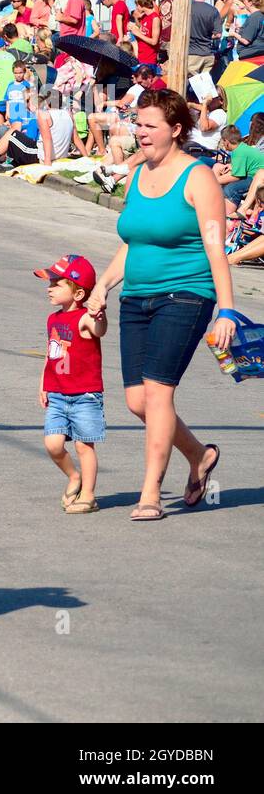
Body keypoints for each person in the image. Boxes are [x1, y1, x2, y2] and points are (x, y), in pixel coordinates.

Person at [85, 90, 236, 522]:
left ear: (175, 130)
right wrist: (102, 288)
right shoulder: (137, 176)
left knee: (158, 392)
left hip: (186, 295)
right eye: (138, 123)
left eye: (150, 125)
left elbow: (214, 249)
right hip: (136, 296)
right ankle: (199, 454)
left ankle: (150, 492)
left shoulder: (198, 178)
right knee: (137, 401)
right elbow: (133, 243)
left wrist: (226, 309)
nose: (141, 132)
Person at [34, 255, 107, 515]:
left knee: (83, 445)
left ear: (77, 293)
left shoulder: (84, 319)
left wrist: (98, 315)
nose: (49, 287)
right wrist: (43, 383)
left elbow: (98, 329)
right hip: (57, 394)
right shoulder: (53, 319)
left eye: (56, 283)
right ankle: (74, 477)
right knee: (53, 445)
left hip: (85, 395)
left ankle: (88, 495)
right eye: (50, 282)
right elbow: (50, 354)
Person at [187, 0, 220, 79]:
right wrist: (206, 36)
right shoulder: (213, 10)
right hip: (207, 54)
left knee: (190, 85)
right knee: (205, 86)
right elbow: (218, 34)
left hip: (192, 54)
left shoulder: (188, 8)